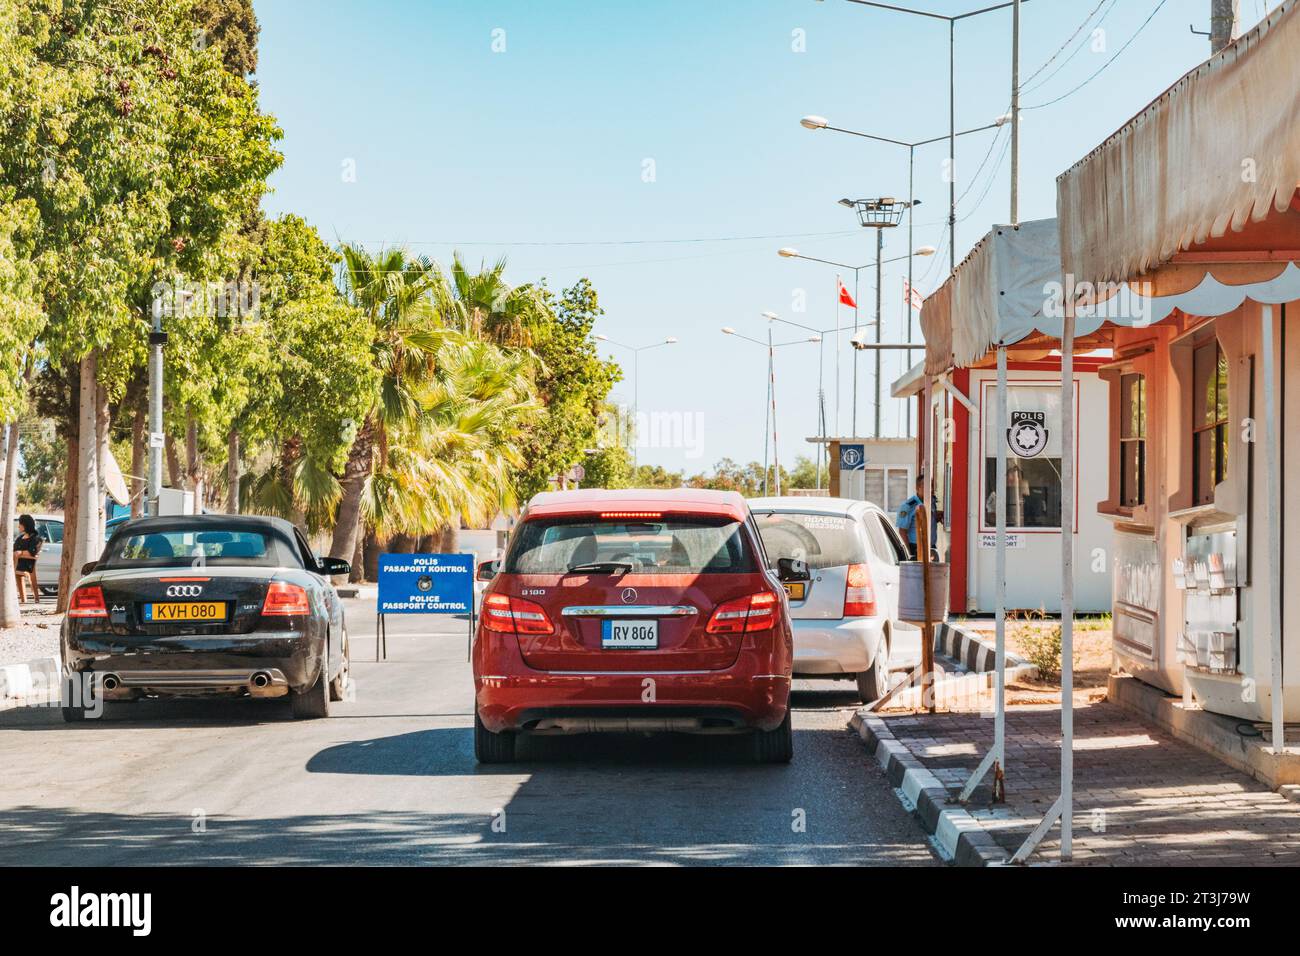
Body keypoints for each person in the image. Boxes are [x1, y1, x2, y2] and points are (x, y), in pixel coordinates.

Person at [896, 475, 942, 560]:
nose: (930, 489)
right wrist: (908, 554)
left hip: (931, 547)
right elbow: (902, 531)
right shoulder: (908, 506)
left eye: (931, 485)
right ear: (918, 488)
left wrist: (939, 516)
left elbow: (929, 519)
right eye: (925, 486)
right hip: (915, 548)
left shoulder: (931, 502)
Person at [13, 513, 42, 604]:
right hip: (17, 563)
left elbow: (32, 552)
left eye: (20, 524)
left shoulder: (35, 538)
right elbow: (14, 550)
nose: (18, 526)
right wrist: (18, 553)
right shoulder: (19, 538)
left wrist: (20, 553)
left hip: (28, 566)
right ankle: (22, 599)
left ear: (25, 525)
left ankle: (35, 598)